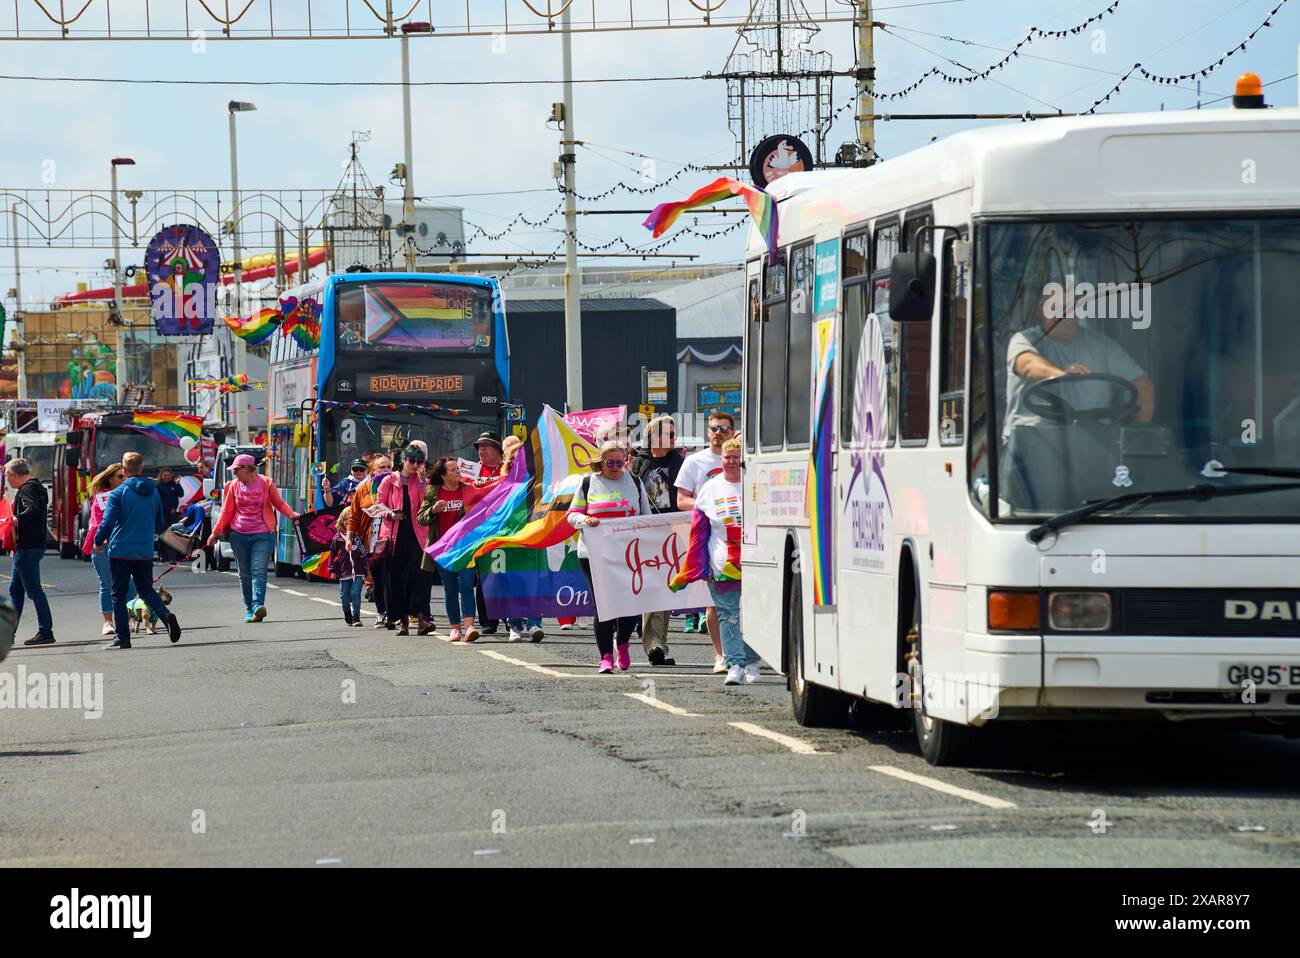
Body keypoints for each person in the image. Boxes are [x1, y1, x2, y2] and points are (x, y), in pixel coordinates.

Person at [1003, 292, 1155, 442]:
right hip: (1032, 445)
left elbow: (1143, 385)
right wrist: (1061, 375)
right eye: (1060, 308)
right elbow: (1029, 365)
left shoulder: (1102, 345)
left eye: (1073, 309)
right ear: (1042, 312)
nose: (1068, 317)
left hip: (1094, 444)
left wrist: (1137, 437)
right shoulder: (1024, 341)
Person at [671, 435, 754, 684]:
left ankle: (751, 661)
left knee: (757, 616)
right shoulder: (709, 489)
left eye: (736, 457)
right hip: (724, 564)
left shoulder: (754, 484)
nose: (731, 461)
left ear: (743, 460)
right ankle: (735, 664)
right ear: (721, 460)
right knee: (728, 616)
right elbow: (699, 533)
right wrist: (699, 564)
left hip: (757, 565)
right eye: (727, 457)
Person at [567, 440, 652, 673]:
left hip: (628, 552)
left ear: (626, 461)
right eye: (610, 463)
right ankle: (605, 656)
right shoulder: (587, 483)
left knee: (630, 603)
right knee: (603, 606)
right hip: (594, 553)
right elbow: (572, 514)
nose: (615, 467)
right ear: (601, 462)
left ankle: (622, 643)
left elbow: (646, 516)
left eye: (619, 463)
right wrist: (584, 519)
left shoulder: (634, 482)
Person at [94, 452, 182, 650]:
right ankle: (166, 616)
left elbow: (107, 522)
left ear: (124, 469)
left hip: (120, 549)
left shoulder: (118, 493)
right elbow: (159, 523)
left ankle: (123, 638)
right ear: (141, 467)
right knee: (145, 589)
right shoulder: (154, 492)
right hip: (144, 550)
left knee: (118, 593)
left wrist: (98, 540)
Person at [206, 453, 299, 623]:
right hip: (239, 535)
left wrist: (291, 514)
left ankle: (257, 605)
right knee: (244, 574)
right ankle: (249, 609)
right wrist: (215, 533)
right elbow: (226, 512)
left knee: (258, 570)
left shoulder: (266, 483)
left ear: (248, 468)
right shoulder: (232, 486)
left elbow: (279, 503)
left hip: (263, 534)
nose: (234, 473)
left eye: (236, 470)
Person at [676, 409, 733, 672]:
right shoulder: (694, 462)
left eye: (724, 429)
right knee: (715, 599)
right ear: (708, 432)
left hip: (739, 538)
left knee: (742, 600)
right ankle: (720, 655)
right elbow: (681, 500)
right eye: (714, 429)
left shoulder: (742, 459)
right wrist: (710, 505)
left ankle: (741, 655)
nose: (719, 433)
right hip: (709, 537)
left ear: (732, 432)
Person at [630, 414, 685, 666]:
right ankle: (630, 636)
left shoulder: (681, 463)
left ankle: (656, 645)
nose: (674, 438)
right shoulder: (637, 464)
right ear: (653, 436)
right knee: (646, 587)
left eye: (675, 434)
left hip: (670, 533)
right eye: (669, 434)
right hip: (642, 533)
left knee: (663, 588)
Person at [418, 456, 480, 643]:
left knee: (467, 585)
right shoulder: (432, 491)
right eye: (453, 470)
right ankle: (455, 628)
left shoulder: (468, 489)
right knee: (450, 589)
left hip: (465, 546)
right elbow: (421, 518)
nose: (457, 472)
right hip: (443, 548)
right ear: (444, 475)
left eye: (457, 469)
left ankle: (469, 627)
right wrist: (433, 510)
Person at [375, 442, 434, 636]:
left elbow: (426, 505)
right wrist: (391, 514)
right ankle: (402, 621)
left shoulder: (422, 481)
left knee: (420, 576)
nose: (415, 465)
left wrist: (423, 481)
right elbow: (378, 506)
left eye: (419, 461)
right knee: (398, 578)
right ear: (404, 460)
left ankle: (422, 619)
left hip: (418, 534)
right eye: (411, 461)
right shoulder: (389, 481)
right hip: (395, 534)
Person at [83, 462, 137, 635]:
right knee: (107, 584)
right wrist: (104, 537)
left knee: (130, 583)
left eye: (125, 476)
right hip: (103, 546)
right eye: (120, 477)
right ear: (110, 479)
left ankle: (127, 617)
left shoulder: (129, 495)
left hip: (124, 544)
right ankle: (108, 622)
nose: (124, 479)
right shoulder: (101, 498)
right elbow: (97, 521)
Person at [7, 459, 55, 647]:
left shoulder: (27, 489)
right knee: (16, 590)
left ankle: (45, 631)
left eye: (7, 477)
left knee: (34, 590)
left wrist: (16, 519)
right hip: (32, 545)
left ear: (13, 475)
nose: (7, 481)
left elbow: (31, 510)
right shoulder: (37, 487)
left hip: (27, 547)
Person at [350, 454, 393, 628]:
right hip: (371, 541)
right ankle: (381, 613)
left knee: (392, 578)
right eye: (381, 467)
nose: (385, 470)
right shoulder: (363, 489)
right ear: (373, 470)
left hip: (392, 539)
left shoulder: (397, 486)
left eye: (388, 467)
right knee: (379, 579)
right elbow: (354, 515)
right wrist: (350, 537)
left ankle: (394, 613)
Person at [472, 431, 505, 634]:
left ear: (498, 450)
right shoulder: (472, 471)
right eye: (479, 446)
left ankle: (511, 618)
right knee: (484, 575)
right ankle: (488, 621)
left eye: (486, 446)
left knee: (506, 574)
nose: (481, 450)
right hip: (480, 531)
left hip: (504, 529)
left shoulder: (507, 469)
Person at [329, 506, 367, 627]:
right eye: (346, 519)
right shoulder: (337, 539)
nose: (348, 522)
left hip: (358, 571)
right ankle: (347, 612)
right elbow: (332, 555)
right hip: (344, 572)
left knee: (356, 593)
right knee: (345, 596)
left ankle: (356, 617)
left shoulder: (358, 537)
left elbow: (364, 554)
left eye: (351, 520)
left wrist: (366, 568)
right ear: (342, 521)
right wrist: (332, 569)